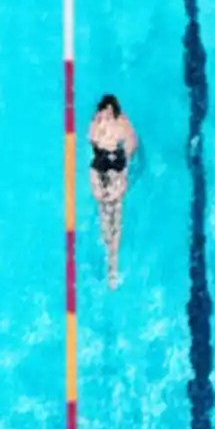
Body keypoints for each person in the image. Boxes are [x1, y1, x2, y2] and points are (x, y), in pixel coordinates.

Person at [88, 94, 137, 290]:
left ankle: (113, 266)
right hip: (102, 168)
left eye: (109, 113)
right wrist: (99, 192)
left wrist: (116, 191)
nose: (106, 116)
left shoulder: (122, 124)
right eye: (103, 113)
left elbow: (128, 156)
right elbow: (92, 168)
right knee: (105, 224)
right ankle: (110, 255)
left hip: (117, 169)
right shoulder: (96, 124)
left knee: (116, 219)